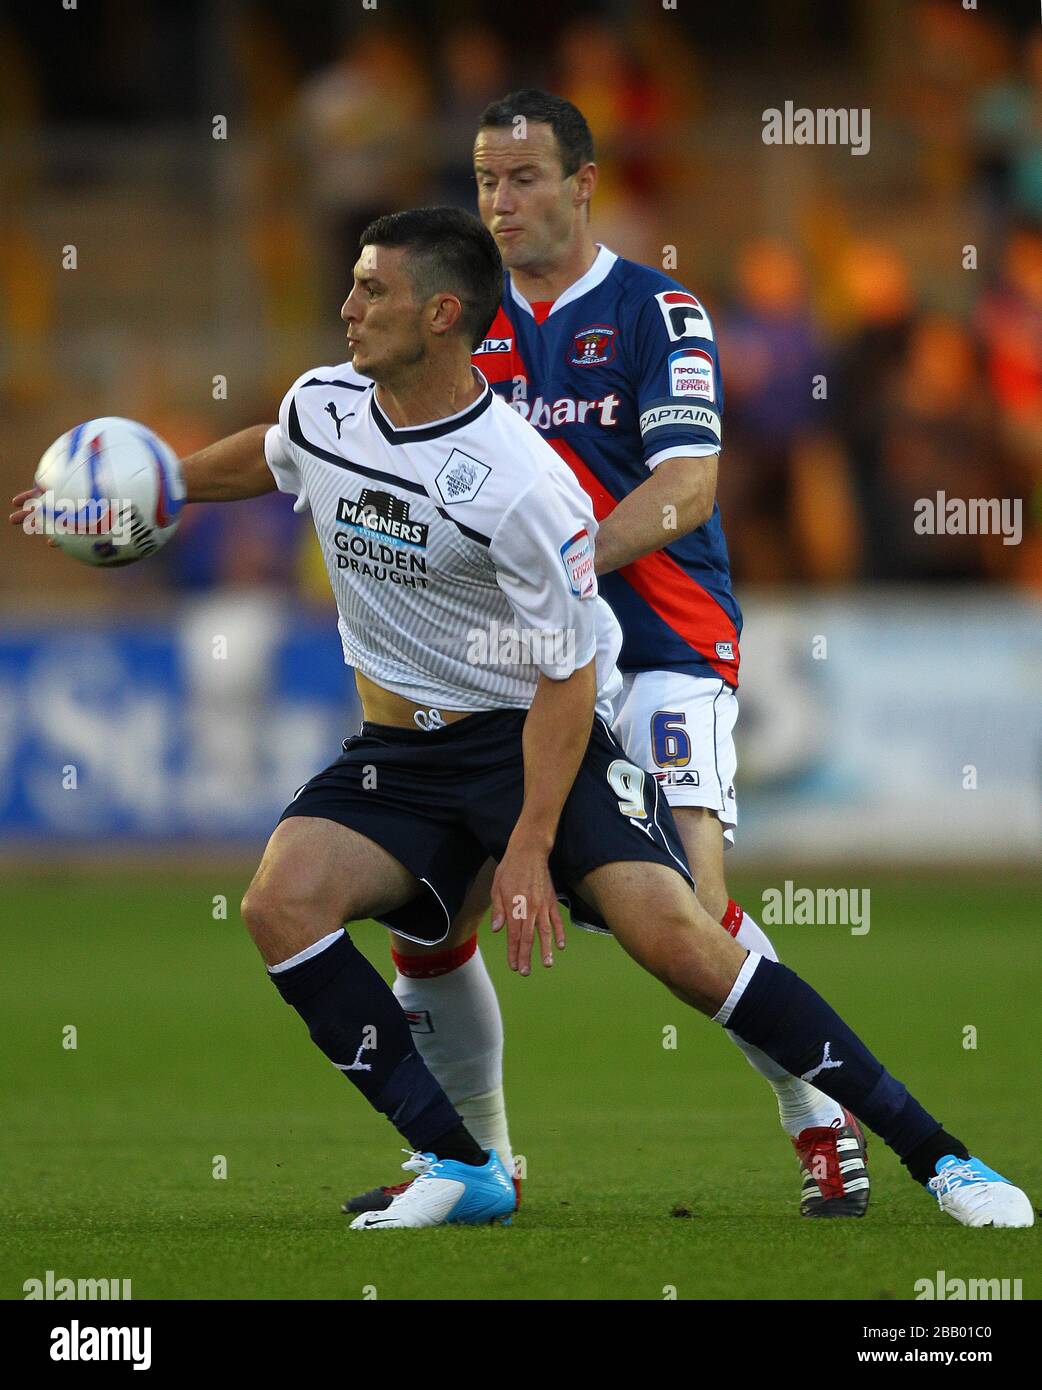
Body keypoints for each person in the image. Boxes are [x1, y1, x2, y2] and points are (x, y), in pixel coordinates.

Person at [11, 207, 1031, 1232]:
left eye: (373, 290)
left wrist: (530, 843)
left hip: (532, 737)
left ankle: (940, 1157)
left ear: (441, 315)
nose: (347, 306)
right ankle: (460, 1164)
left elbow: (568, 671)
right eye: (354, 284)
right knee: (283, 902)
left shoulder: (519, 484)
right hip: (399, 754)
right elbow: (275, 455)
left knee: (681, 938)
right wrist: (160, 489)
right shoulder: (326, 405)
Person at [348, 92, 866, 1220]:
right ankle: (477, 1161)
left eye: (525, 178)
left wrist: (564, 564)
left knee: (689, 901)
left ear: (584, 184)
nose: (501, 201)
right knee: (433, 914)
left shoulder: (654, 311)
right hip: (512, 663)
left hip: (664, 641)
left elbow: (685, 490)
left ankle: (817, 1117)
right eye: (487, 180)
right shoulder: (455, 316)